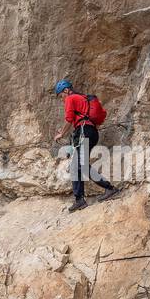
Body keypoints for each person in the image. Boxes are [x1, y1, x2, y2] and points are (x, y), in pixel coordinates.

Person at [53, 78, 119, 212]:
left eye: (61, 95)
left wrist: (61, 134)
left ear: (66, 90)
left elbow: (69, 119)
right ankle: (83, 198)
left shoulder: (71, 99)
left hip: (84, 132)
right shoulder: (82, 98)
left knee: (78, 166)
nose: (62, 99)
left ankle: (104, 190)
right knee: (79, 166)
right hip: (91, 132)